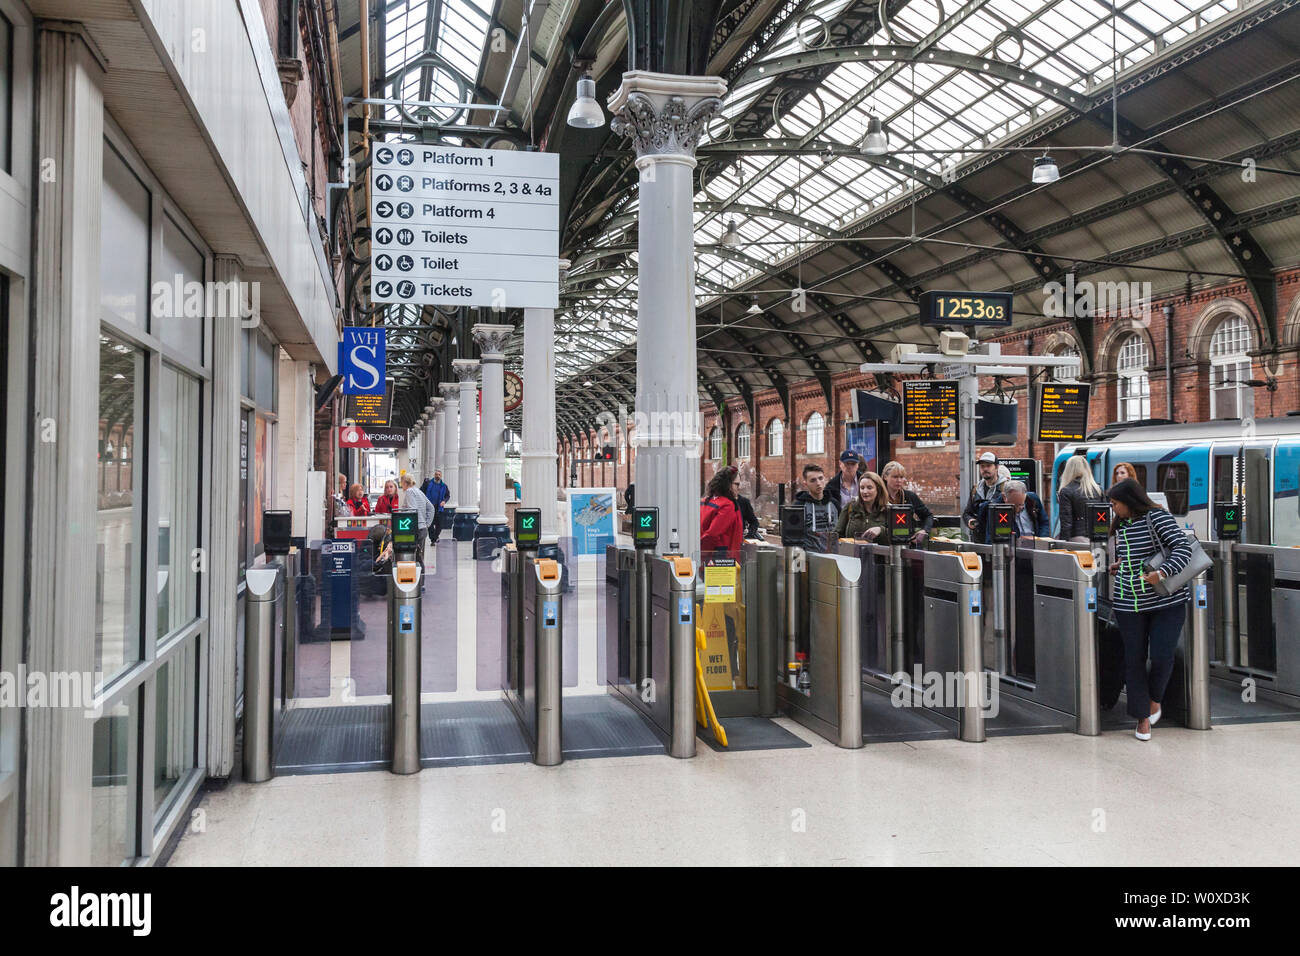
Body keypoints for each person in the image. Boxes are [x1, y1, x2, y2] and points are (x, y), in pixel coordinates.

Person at [1106, 477, 1194, 741]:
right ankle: (1142, 718)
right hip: (1128, 601)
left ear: (1130, 501)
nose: (1113, 509)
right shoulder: (1122, 525)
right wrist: (1119, 565)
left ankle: (1155, 699)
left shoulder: (1157, 517)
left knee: (1162, 654)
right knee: (1133, 659)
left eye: (1115, 503)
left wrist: (1163, 572)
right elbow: (1132, 557)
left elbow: (1182, 548)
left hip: (1165, 600)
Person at [880, 461, 933, 545]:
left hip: (907, 543)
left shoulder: (909, 496)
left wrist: (924, 530)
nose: (899, 480)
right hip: (884, 543)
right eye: (895, 477)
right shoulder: (878, 497)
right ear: (885, 477)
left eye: (901, 477)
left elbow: (928, 515)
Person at [794, 463, 840, 553]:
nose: (818, 483)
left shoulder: (834, 503)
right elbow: (793, 537)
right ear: (805, 483)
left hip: (834, 556)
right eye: (813, 480)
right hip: (810, 556)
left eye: (820, 478)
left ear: (825, 479)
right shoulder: (799, 506)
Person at [983, 479, 1049, 541]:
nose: (1018, 509)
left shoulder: (1033, 499)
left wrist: (1040, 540)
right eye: (1014, 505)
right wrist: (1018, 541)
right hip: (1013, 549)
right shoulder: (997, 509)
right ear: (1004, 497)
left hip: (1036, 546)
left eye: (1021, 505)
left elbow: (1044, 522)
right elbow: (997, 538)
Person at [1057, 454, 1104, 542]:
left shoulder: (1066, 491)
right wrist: (1101, 537)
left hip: (1077, 538)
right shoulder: (1098, 490)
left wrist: (1063, 543)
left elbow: (1066, 523)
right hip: (1096, 538)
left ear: (1068, 470)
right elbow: (1102, 519)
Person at [962, 451, 1006, 540]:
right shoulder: (976, 489)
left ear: (996, 467)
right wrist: (970, 521)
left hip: (999, 539)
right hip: (979, 540)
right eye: (982, 466)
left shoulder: (1006, 488)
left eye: (988, 466)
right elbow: (967, 513)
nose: (985, 469)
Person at [700, 466, 743, 556]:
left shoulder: (704, 501)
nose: (739, 488)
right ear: (727, 484)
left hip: (706, 558)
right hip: (722, 561)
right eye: (737, 484)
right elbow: (712, 534)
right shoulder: (727, 505)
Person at [836, 471, 889, 540]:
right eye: (862, 488)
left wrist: (881, 530)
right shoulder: (850, 506)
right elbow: (837, 533)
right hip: (852, 550)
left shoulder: (888, 510)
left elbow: (898, 535)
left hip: (880, 550)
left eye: (869, 488)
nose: (865, 492)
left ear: (878, 489)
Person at [399, 474, 436, 561]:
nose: (401, 485)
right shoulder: (419, 492)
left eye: (401, 483)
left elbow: (412, 510)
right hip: (422, 529)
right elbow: (431, 508)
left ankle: (414, 574)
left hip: (415, 529)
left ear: (405, 482)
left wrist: (401, 515)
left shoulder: (409, 492)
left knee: (413, 557)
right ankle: (421, 574)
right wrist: (426, 524)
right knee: (420, 557)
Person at [422, 470, 450, 542]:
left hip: (439, 507)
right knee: (430, 524)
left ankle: (435, 536)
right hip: (429, 506)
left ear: (441, 476)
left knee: (439, 525)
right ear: (434, 475)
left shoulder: (444, 486)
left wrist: (444, 501)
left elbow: (448, 495)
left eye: (439, 475)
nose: (437, 476)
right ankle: (432, 539)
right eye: (436, 474)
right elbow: (421, 491)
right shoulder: (428, 483)